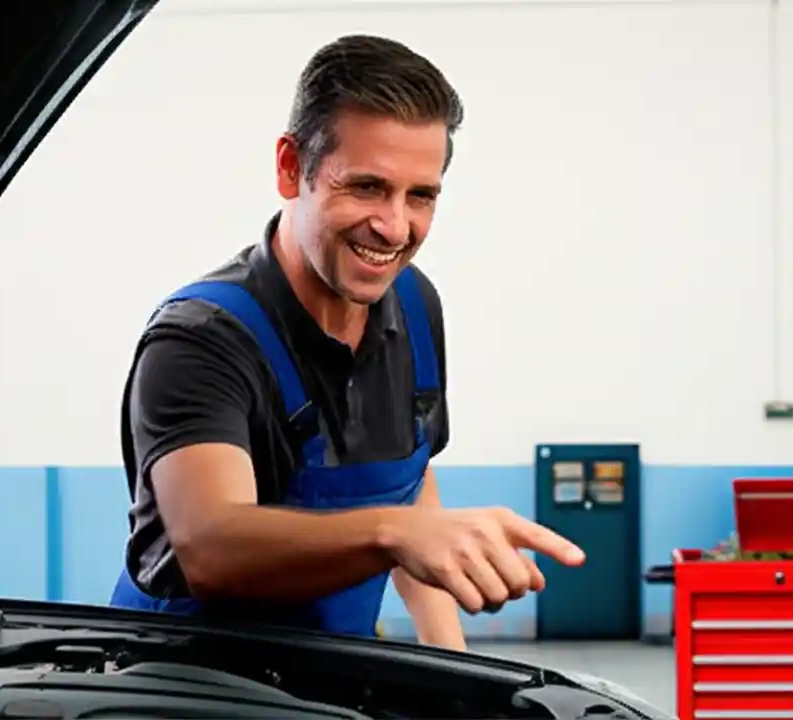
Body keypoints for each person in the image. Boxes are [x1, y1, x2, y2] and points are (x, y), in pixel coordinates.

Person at [107, 34, 585, 650]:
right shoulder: (200, 339)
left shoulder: (414, 304)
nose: (393, 226)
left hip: (330, 679)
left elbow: (413, 480)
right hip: (182, 683)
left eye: (421, 196)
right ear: (290, 167)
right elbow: (211, 547)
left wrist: (454, 671)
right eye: (365, 187)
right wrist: (394, 533)